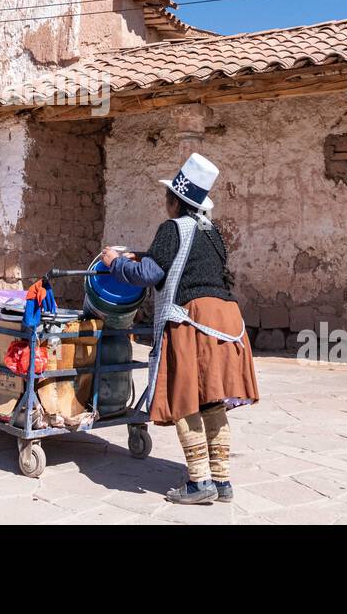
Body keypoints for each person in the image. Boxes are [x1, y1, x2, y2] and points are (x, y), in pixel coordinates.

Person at [100, 152, 259, 505]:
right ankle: (221, 481)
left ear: (175, 200)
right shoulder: (211, 231)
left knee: (186, 398)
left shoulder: (171, 229)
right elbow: (181, 263)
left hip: (193, 319)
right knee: (213, 401)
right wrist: (141, 255)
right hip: (227, 319)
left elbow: (148, 276)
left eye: (167, 196)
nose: (165, 201)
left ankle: (198, 482)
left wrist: (114, 265)